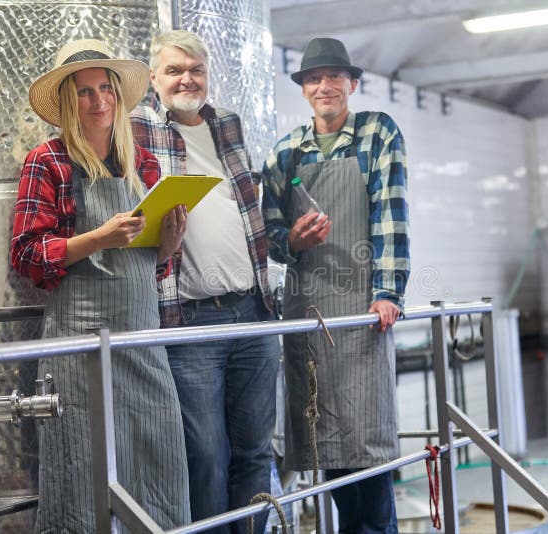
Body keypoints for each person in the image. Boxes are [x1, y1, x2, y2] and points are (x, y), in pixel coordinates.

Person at [10, 39, 190, 531]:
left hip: (141, 341)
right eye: (86, 92)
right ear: (69, 101)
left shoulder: (144, 165)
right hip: (79, 349)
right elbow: (25, 255)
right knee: (80, 472)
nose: (99, 101)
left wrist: (169, 246)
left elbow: (151, 269)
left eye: (106, 88)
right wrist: (97, 238)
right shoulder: (47, 161)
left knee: (159, 463)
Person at [130, 30, 280, 532]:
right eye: (174, 70)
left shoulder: (227, 125)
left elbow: (246, 207)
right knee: (207, 456)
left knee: (257, 452)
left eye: (195, 69)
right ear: (154, 76)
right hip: (191, 320)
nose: (186, 79)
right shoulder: (135, 128)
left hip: (255, 309)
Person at [261, 37, 410, 532]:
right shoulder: (284, 153)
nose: (323, 86)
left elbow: (391, 216)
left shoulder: (378, 134)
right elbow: (268, 239)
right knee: (329, 447)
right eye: (312, 78)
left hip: (363, 312)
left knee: (366, 446)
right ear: (303, 89)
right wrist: (293, 243)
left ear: (352, 83)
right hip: (309, 314)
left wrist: (388, 292)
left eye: (333, 77)